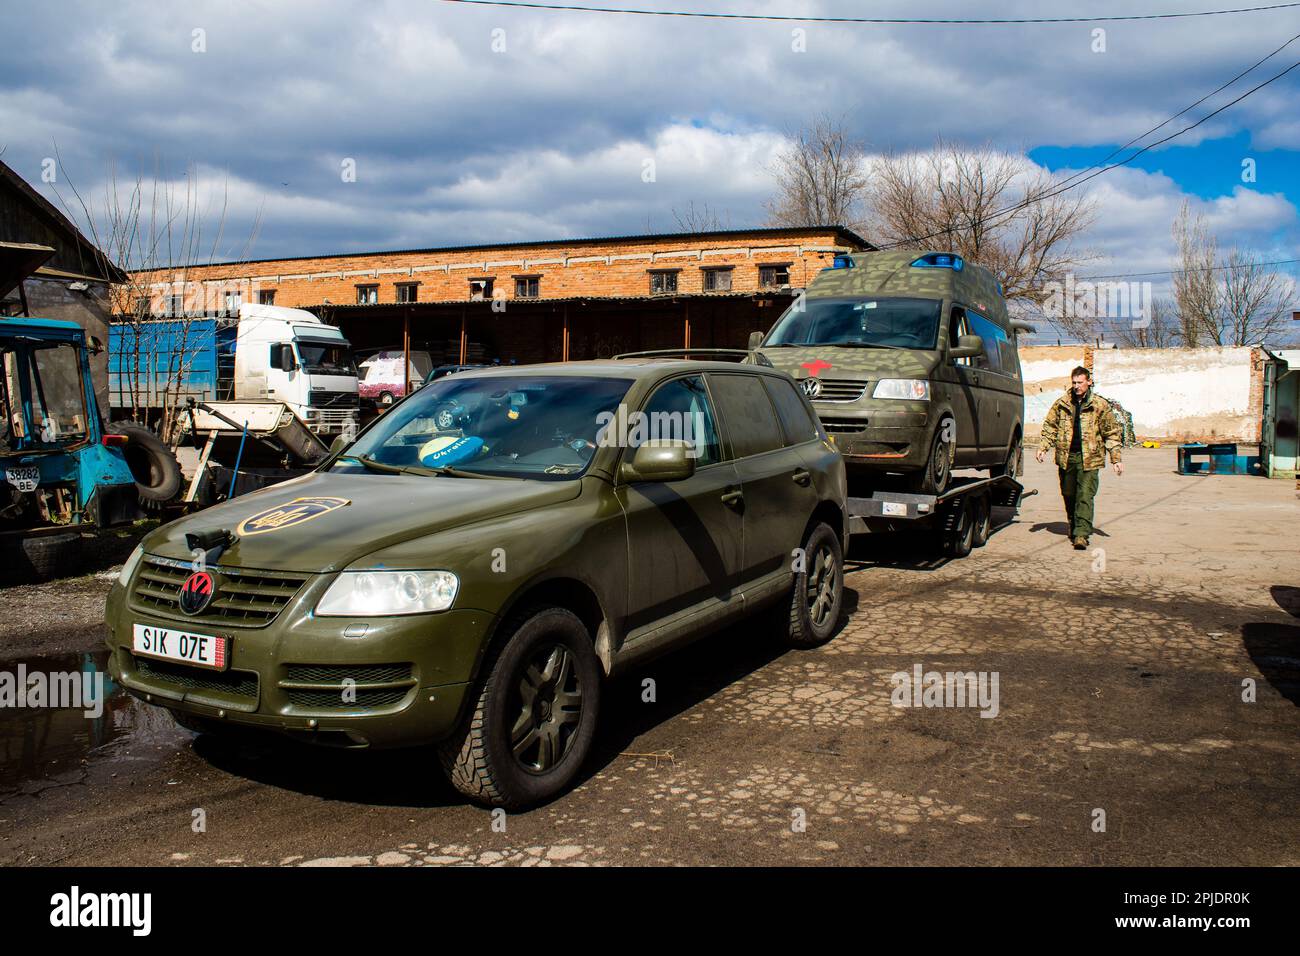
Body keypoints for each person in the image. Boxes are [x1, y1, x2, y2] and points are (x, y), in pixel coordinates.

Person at [1035, 366, 1123, 550]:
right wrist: (1043, 447)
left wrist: (1116, 459)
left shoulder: (1100, 405)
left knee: (1085, 495)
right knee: (1069, 494)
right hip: (1067, 457)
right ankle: (1074, 525)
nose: (1076, 386)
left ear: (1089, 382)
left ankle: (1081, 535)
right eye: (1074, 382)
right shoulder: (1062, 403)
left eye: (1080, 382)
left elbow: (1111, 432)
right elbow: (1050, 427)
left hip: (1090, 458)